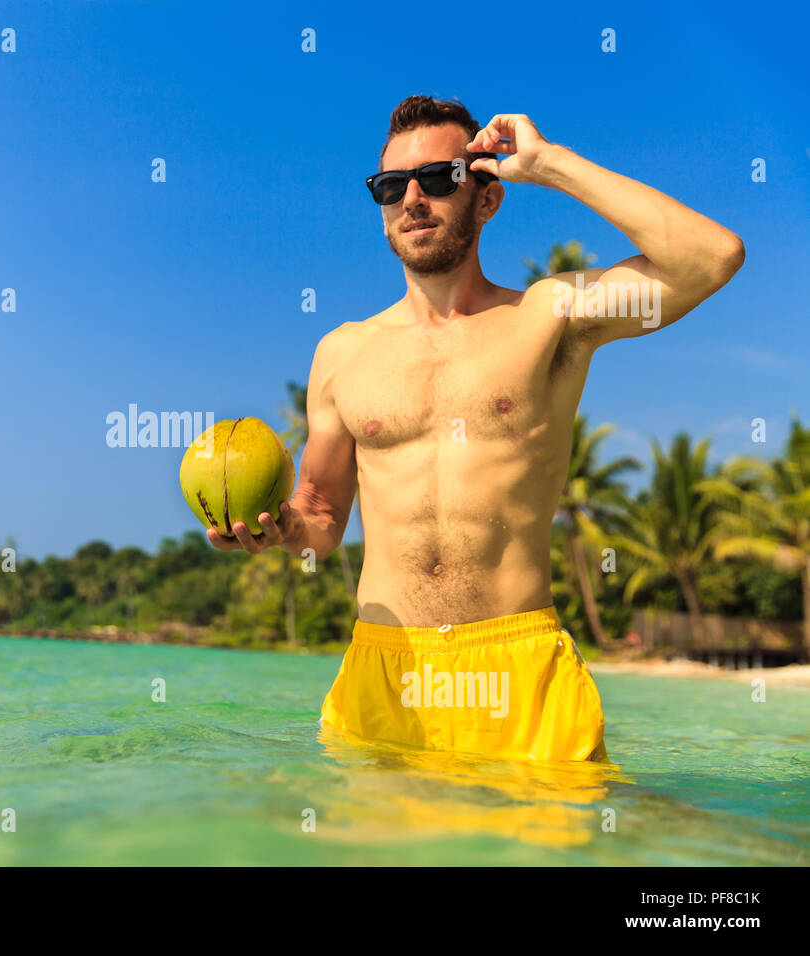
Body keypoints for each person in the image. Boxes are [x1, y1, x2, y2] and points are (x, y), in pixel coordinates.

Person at [207, 96, 744, 761]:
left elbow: (711, 257)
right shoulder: (341, 353)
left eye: (438, 178)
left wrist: (549, 164)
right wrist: (281, 530)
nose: (412, 199)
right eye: (391, 186)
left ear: (486, 198)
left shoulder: (550, 317)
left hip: (520, 676)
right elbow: (319, 516)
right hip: (386, 675)